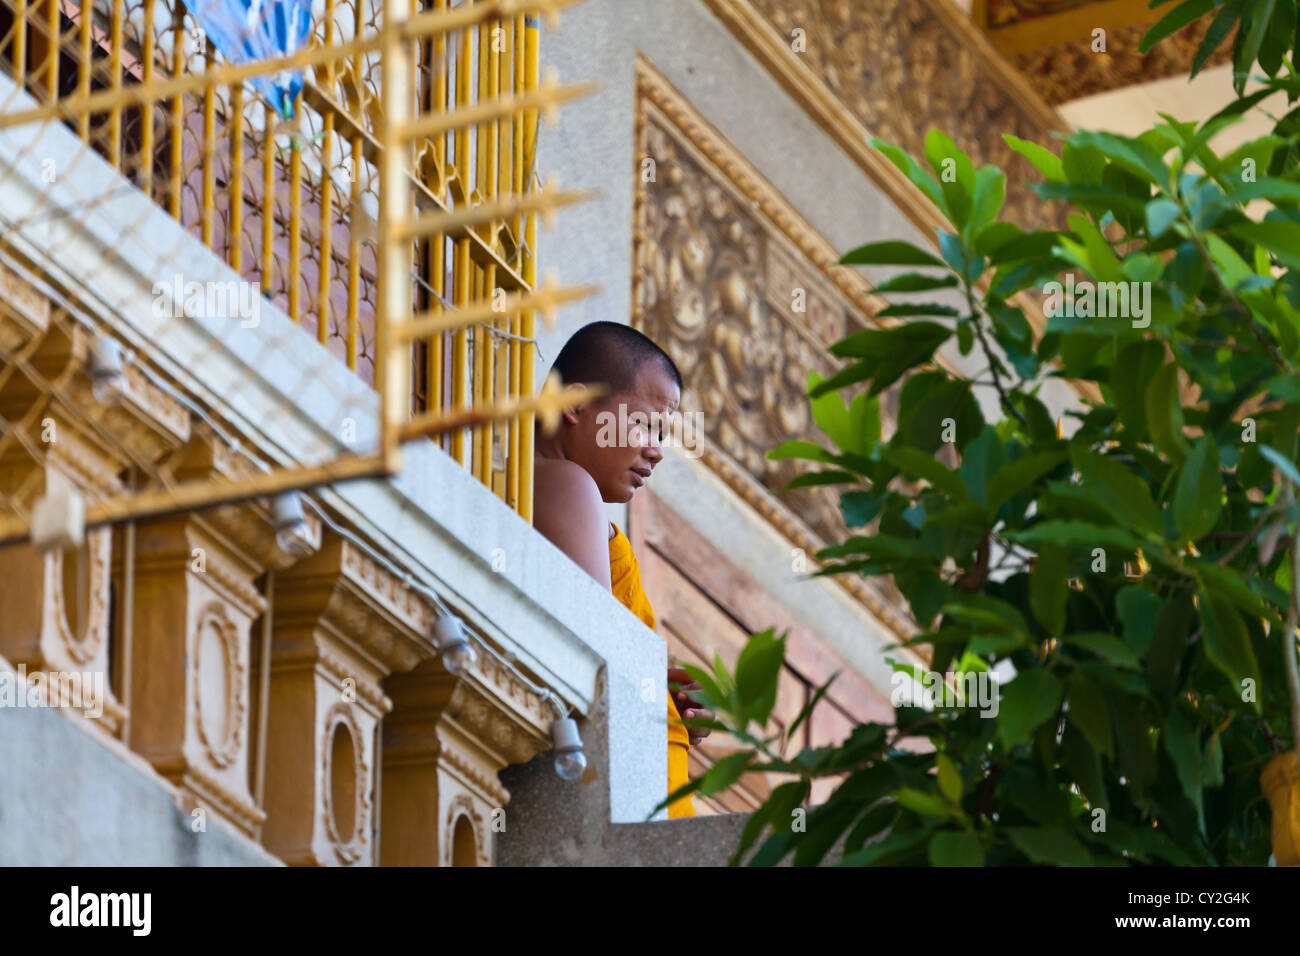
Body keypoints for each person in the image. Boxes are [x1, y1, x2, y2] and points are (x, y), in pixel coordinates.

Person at [532, 320, 712, 818]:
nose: (656, 450)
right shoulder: (567, 485)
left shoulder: (566, 498)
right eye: (646, 425)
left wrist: (666, 703)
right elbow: (598, 673)